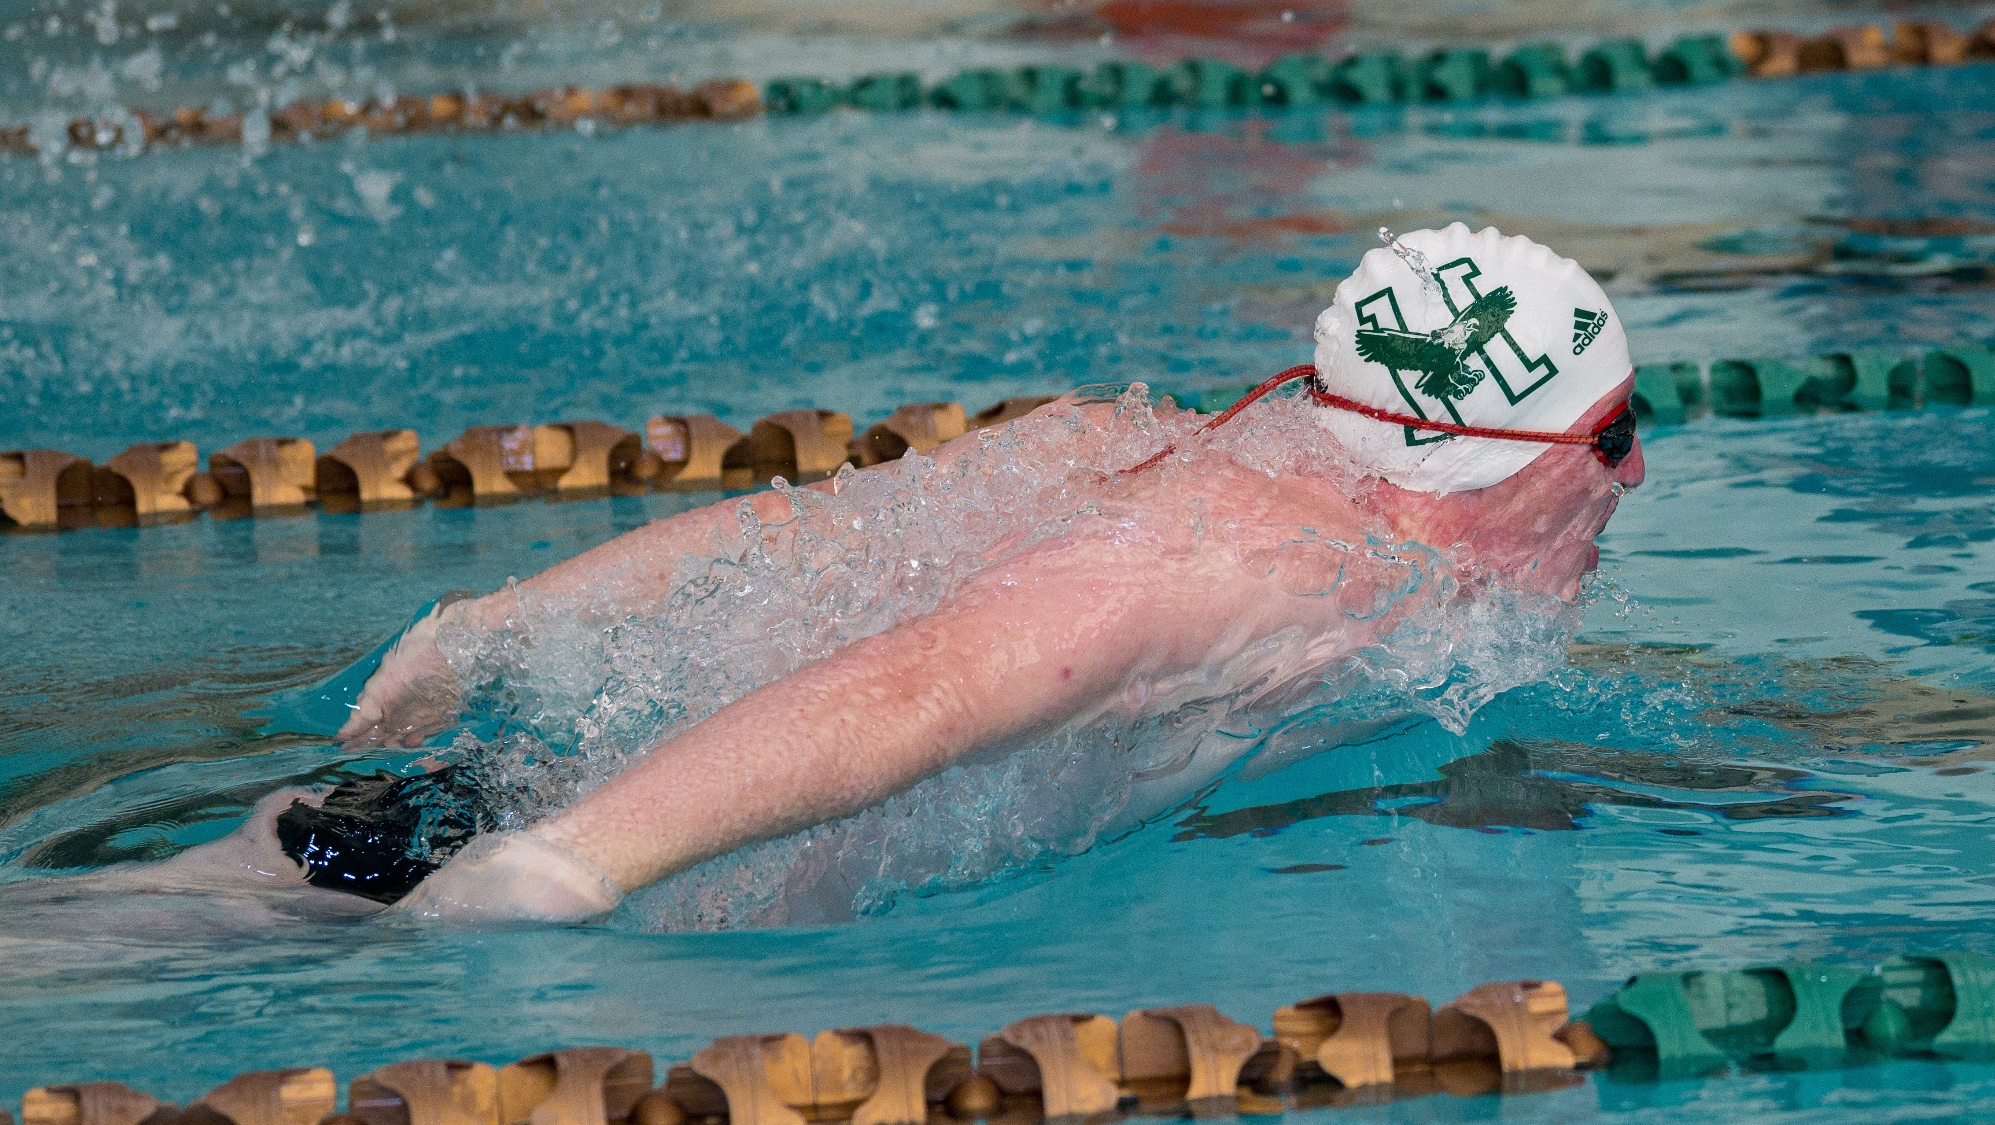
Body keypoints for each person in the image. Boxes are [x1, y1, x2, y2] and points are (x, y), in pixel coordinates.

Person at [175, 223, 1649, 925]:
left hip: (471, 791)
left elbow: (796, 534)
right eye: (1610, 434)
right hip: (498, 866)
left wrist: (496, 625)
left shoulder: (1139, 445)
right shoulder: (1275, 569)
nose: (1632, 475)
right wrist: (567, 866)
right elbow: (921, 685)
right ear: (1488, 455)